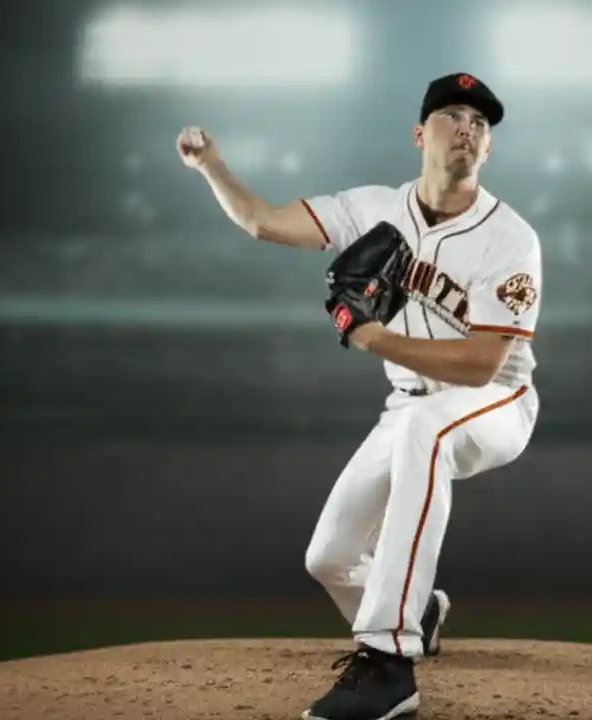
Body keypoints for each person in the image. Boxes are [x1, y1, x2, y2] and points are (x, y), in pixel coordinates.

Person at [177, 72, 542, 720]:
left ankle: (388, 662)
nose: (468, 128)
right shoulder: (373, 208)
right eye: (453, 115)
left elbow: (484, 364)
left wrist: (373, 339)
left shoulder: (511, 238)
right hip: (408, 403)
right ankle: (420, 609)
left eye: (481, 124)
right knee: (330, 557)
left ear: (489, 150)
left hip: (498, 401)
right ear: (419, 133)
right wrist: (213, 166)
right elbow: (262, 222)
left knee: (427, 426)